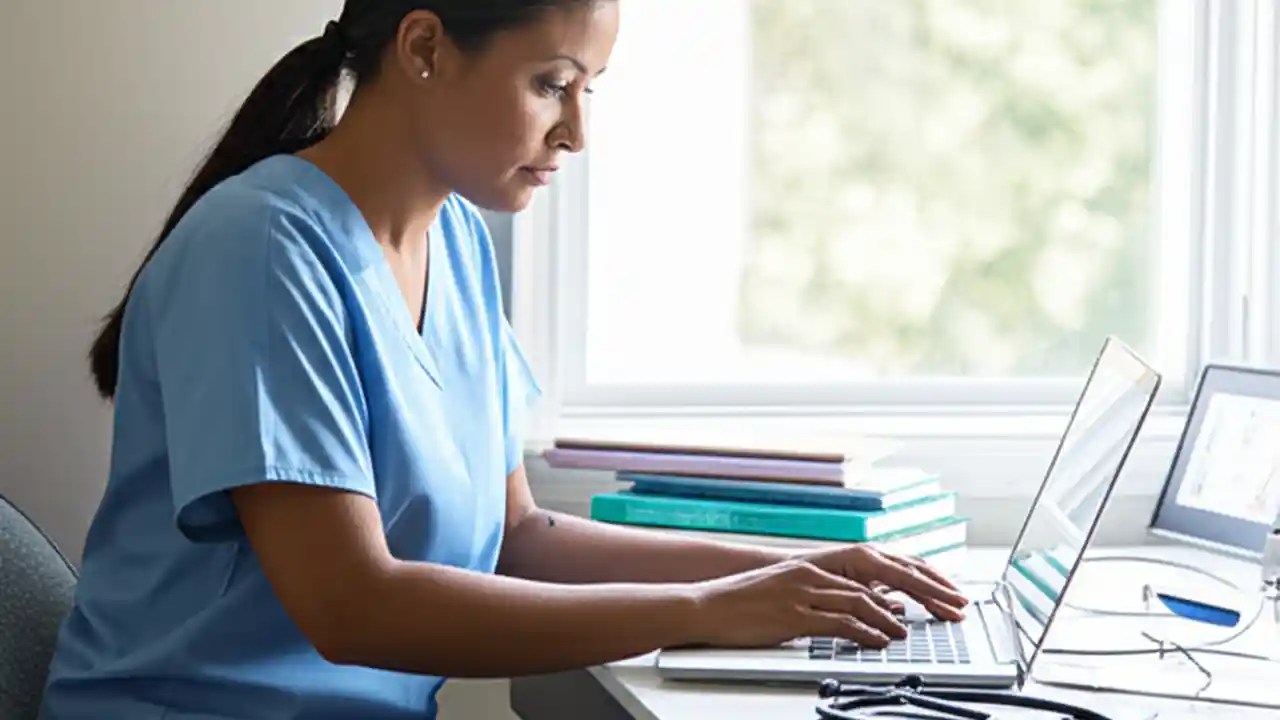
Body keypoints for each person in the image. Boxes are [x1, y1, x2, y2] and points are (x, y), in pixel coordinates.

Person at [40, 2, 969, 718]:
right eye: (551, 84)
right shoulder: (261, 251)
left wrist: (800, 573)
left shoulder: (458, 242)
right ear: (424, 47)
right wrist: (703, 609)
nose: (577, 133)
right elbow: (352, 606)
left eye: (589, 89)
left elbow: (519, 540)